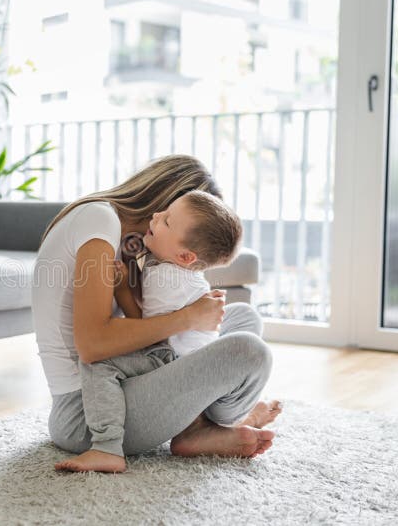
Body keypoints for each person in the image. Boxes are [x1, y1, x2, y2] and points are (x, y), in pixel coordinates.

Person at [30, 155, 282, 474]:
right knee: (249, 350)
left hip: (120, 387)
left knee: (243, 318)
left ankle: (200, 427)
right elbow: (93, 346)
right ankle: (206, 426)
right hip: (84, 415)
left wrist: (189, 313)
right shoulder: (99, 220)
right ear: (168, 200)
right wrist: (188, 317)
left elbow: (143, 333)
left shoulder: (130, 244)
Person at [72, 189, 248, 468]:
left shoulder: (169, 278)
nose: (155, 216)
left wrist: (121, 292)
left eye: (166, 221)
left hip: (170, 357)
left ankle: (107, 446)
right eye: (164, 211)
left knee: (98, 364)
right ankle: (231, 418)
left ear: (185, 255)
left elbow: (149, 333)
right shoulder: (176, 271)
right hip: (186, 355)